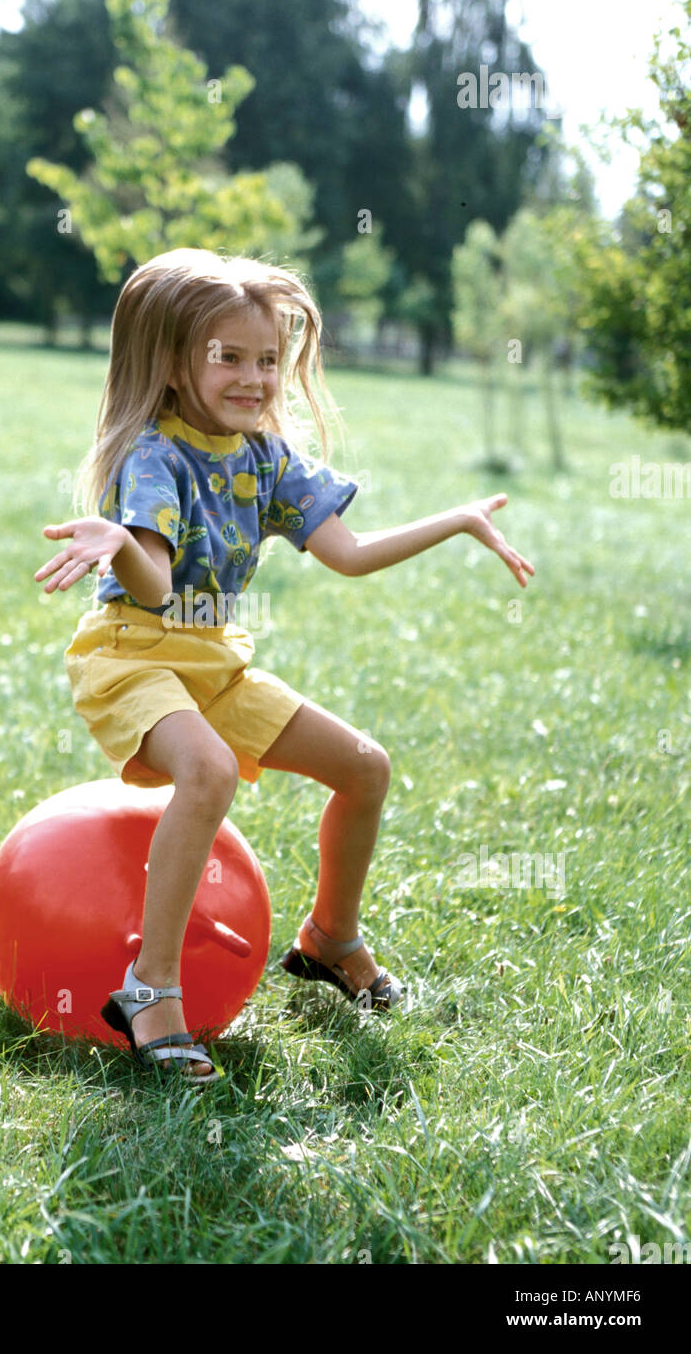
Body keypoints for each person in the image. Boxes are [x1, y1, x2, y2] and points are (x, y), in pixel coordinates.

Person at [35, 248, 534, 1082]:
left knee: (364, 768)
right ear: (169, 361)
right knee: (208, 771)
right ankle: (149, 990)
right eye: (226, 356)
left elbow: (348, 552)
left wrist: (452, 520)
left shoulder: (263, 457)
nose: (253, 377)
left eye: (266, 359)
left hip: (213, 666)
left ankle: (329, 941)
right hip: (131, 658)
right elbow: (154, 587)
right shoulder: (153, 457)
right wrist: (122, 543)